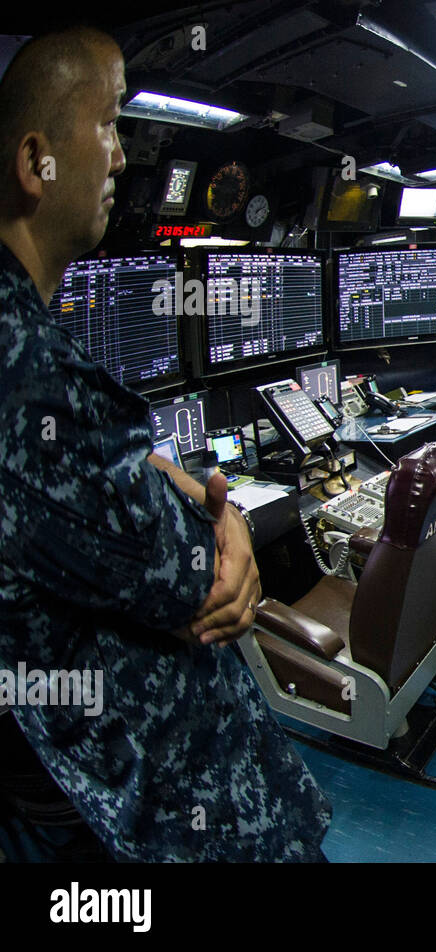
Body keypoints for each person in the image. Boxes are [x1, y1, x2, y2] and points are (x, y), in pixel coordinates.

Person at [0, 27, 330, 861]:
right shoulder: (29, 371)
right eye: (109, 125)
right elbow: (196, 576)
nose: (120, 160)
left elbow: (63, 484)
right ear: (34, 161)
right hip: (150, 821)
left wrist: (152, 472)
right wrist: (230, 524)